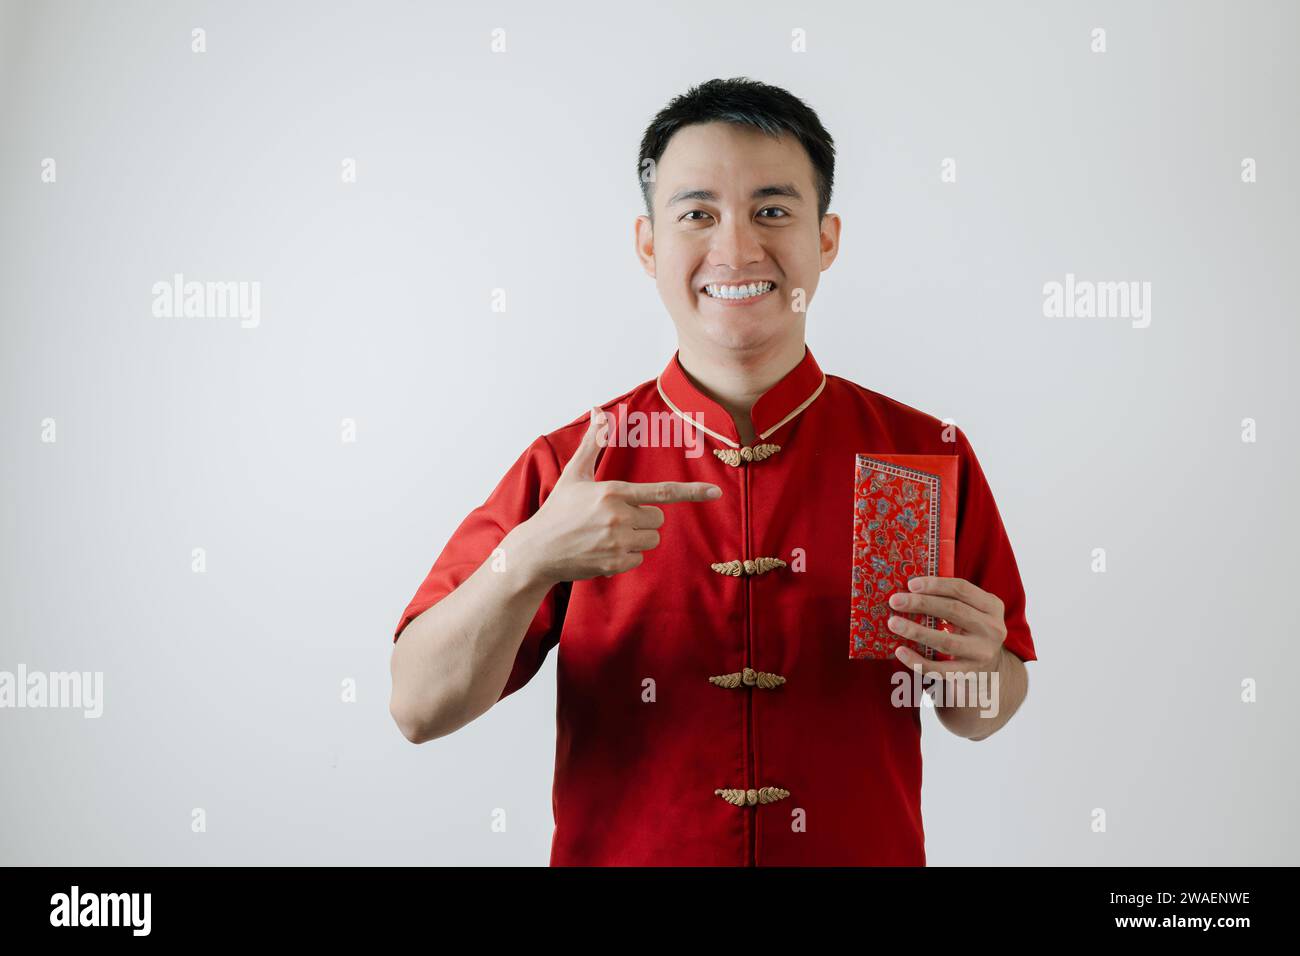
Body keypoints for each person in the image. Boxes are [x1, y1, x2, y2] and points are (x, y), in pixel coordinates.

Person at [389, 76, 1037, 866]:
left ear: (826, 239)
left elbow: (980, 714)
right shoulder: (575, 466)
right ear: (648, 244)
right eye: (697, 214)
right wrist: (526, 560)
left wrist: (981, 670)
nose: (736, 250)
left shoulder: (915, 456)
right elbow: (418, 708)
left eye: (773, 211)